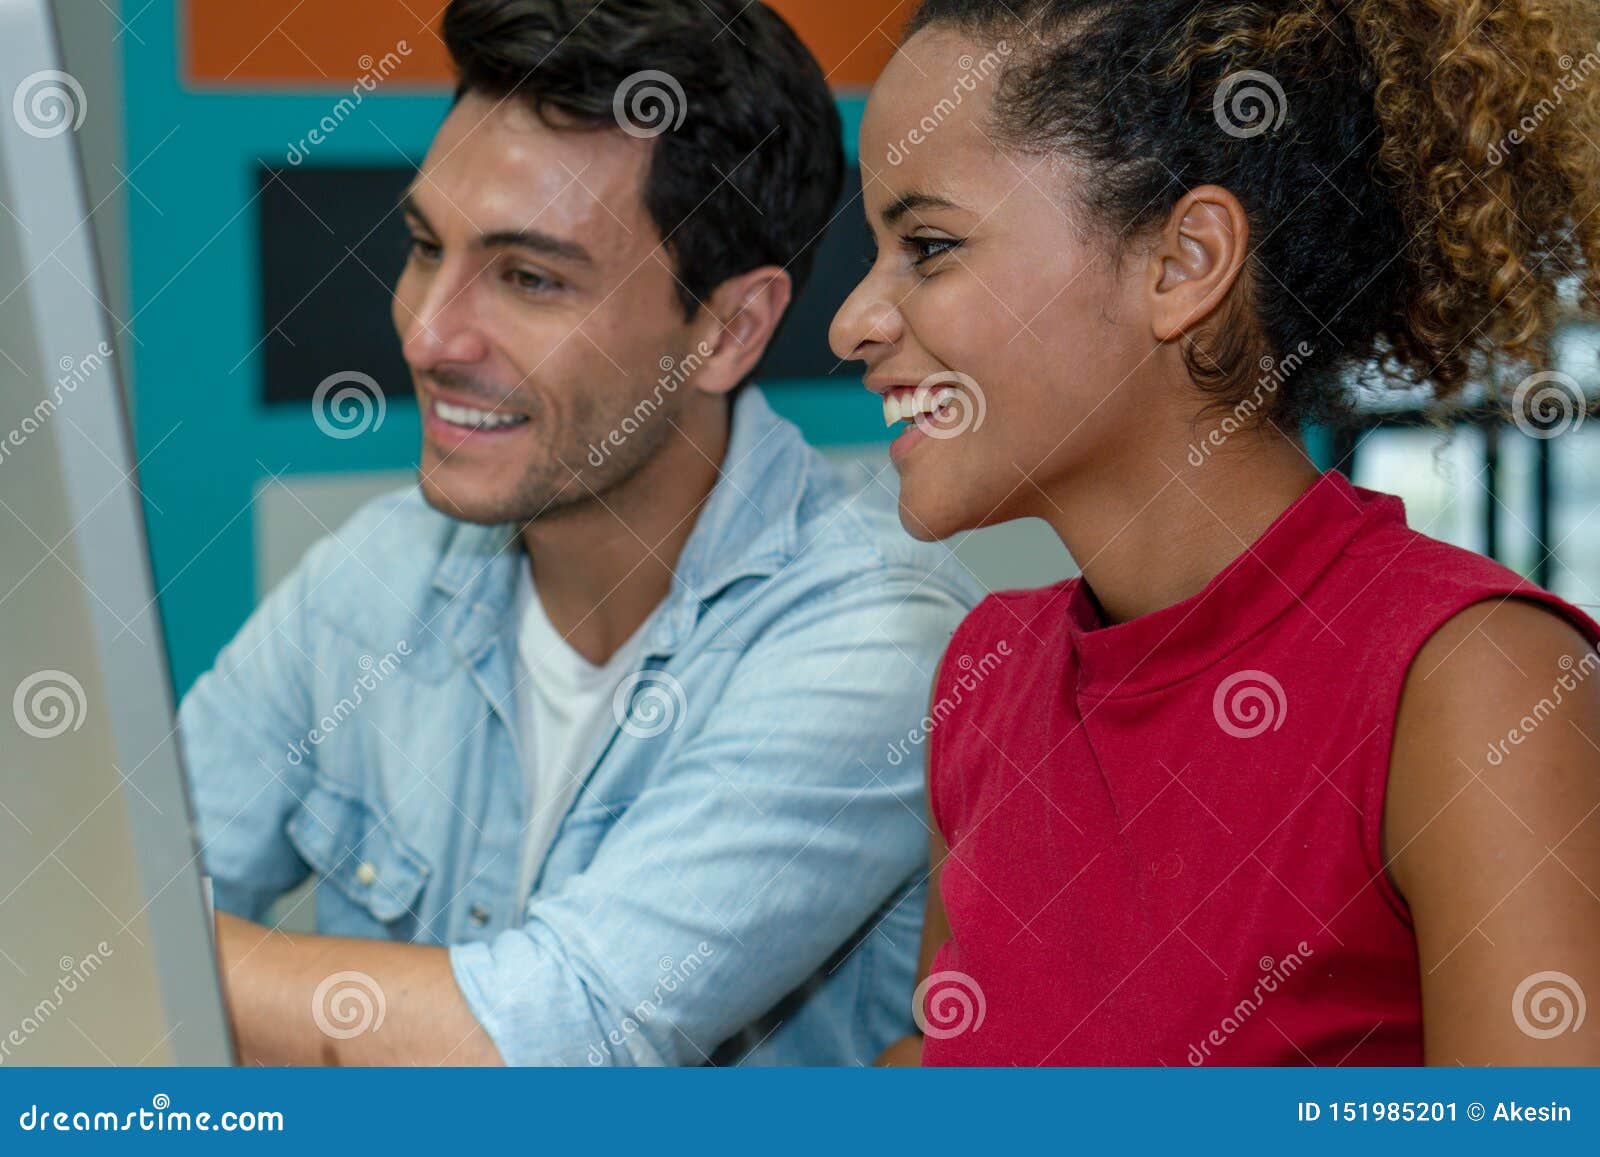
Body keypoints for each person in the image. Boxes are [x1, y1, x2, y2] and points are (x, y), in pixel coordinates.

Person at [180, 0, 979, 1066]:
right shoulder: (378, 571)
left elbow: (555, 1041)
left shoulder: (880, 635)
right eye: (425, 246)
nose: (426, 333)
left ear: (729, 329)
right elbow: (100, 875)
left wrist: (150, 945)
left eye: (529, 277)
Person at [832, 0, 1600, 1065]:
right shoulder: (988, 673)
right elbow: (942, 1055)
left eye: (927, 245)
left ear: (1185, 262)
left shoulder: (1472, 685)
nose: (853, 322)